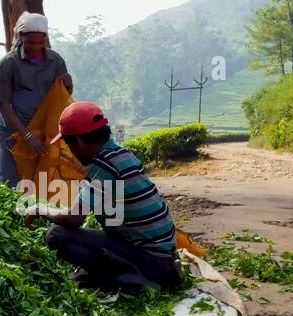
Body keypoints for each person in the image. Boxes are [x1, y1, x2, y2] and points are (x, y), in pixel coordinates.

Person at [23, 102, 183, 294]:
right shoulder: (123, 155)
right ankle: (119, 274)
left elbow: (73, 219)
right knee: (102, 233)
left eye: (68, 143)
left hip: (153, 262)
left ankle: (134, 281)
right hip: (165, 257)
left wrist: (41, 209)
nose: (71, 152)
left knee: (57, 234)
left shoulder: (104, 166)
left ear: (79, 141)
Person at [0, 12, 73, 188]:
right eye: (30, 42)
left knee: (40, 177)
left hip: (41, 127)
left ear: (45, 38)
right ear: (21, 38)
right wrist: (26, 135)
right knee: (11, 179)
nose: (35, 47)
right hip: (13, 127)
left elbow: (62, 97)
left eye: (39, 42)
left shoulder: (55, 60)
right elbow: (3, 104)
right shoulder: (9, 63)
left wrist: (69, 85)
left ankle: (37, 213)